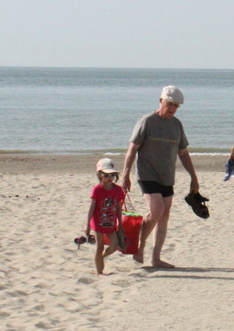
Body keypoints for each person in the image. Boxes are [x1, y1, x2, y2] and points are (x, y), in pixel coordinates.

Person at [120, 85, 200, 268]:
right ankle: (140, 247)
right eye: (170, 104)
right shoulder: (147, 121)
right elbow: (132, 149)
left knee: (164, 215)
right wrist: (125, 175)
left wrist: (193, 177)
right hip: (147, 174)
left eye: (176, 106)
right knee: (156, 210)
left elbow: (184, 153)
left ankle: (156, 258)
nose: (172, 109)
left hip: (167, 176)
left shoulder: (177, 125)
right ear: (161, 101)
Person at [84, 157, 127, 275]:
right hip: (98, 223)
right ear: (100, 175)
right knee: (100, 246)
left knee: (114, 246)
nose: (110, 178)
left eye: (112, 175)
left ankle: (101, 257)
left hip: (111, 223)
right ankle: (100, 272)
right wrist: (87, 225)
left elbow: (119, 208)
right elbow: (91, 208)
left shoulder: (118, 190)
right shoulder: (97, 190)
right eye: (106, 175)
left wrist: (121, 224)